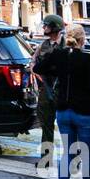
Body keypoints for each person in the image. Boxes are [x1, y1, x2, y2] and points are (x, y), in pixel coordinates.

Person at [36, 23, 90, 179]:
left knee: (68, 153)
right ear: (82, 39)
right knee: (86, 154)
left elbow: (38, 67)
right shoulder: (86, 58)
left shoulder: (59, 55)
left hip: (63, 111)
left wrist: (55, 66)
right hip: (83, 111)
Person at [31, 13, 67, 167]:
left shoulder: (67, 45)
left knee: (67, 127)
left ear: (55, 28)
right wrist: (41, 78)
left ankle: (73, 159)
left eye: (46, 25)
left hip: (64, 90)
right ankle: (46, 159)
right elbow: (33, 64)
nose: (44, 28)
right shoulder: (42, 46)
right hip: (46, 90)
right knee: (46, 126)